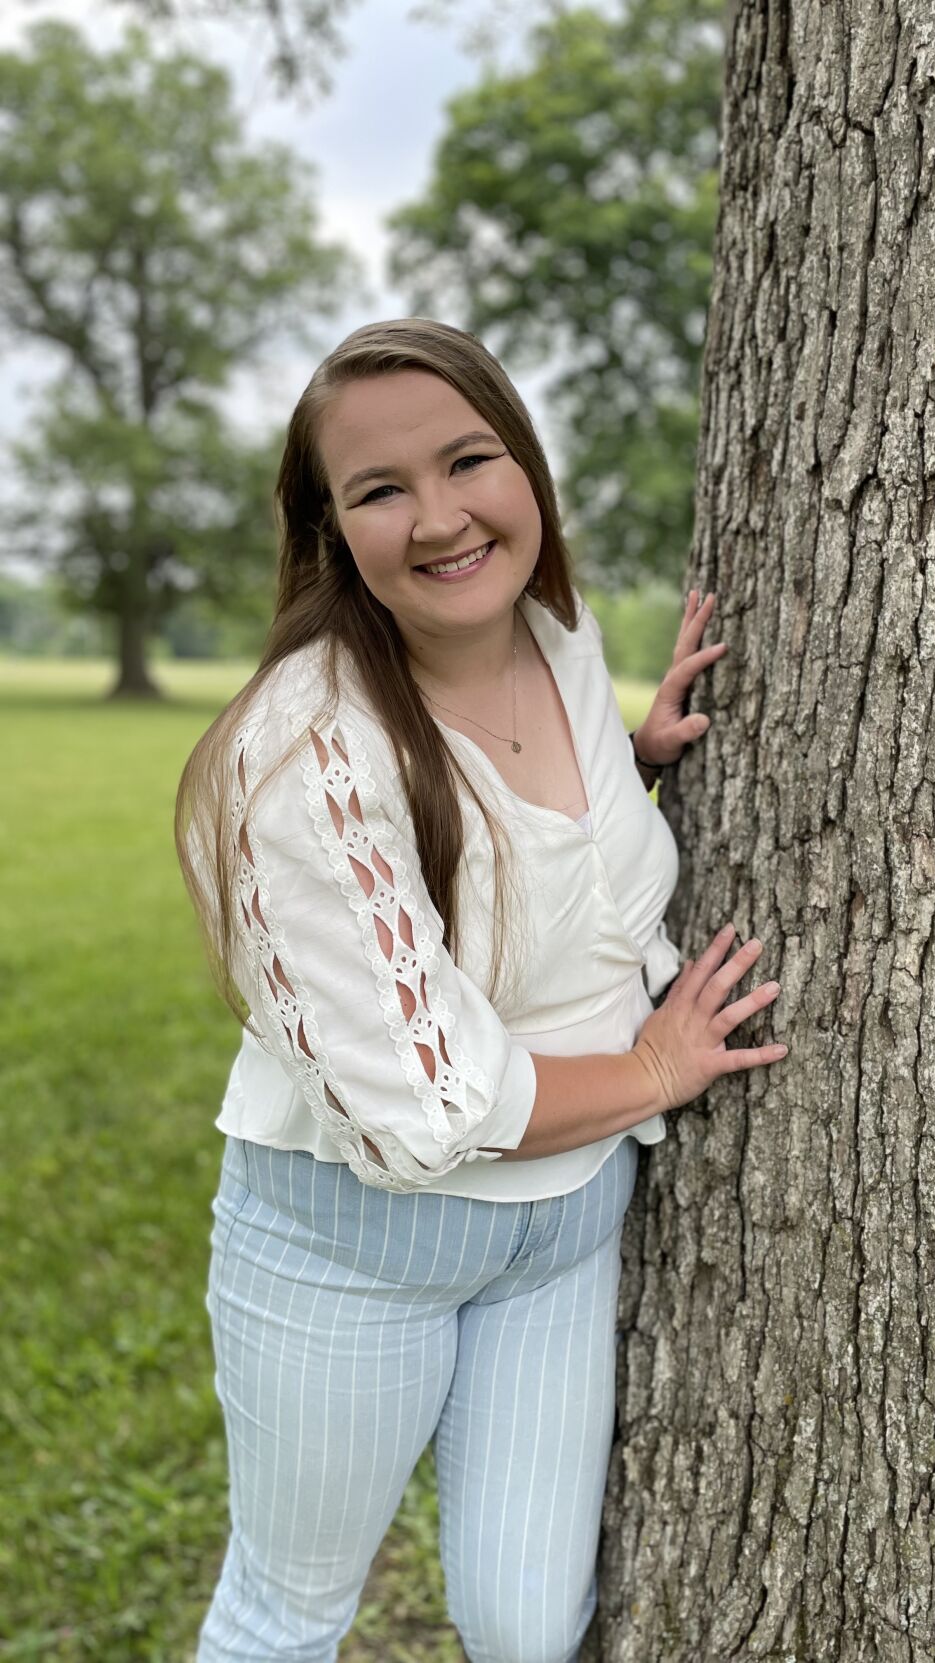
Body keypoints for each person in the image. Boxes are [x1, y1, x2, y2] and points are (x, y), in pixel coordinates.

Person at [175, 316, 788, 1663]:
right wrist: (655, 1071)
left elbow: (527, 846)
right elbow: (429, 1107)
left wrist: (634, 756)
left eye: (468, 461)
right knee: (288, 1616)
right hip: (352, 1248)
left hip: (564, 1234)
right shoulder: (305, 758)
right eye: (380, 489)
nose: (442, 518)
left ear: (524, 462)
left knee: (529, 1630)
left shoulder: (554, 635)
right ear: (331, 530)